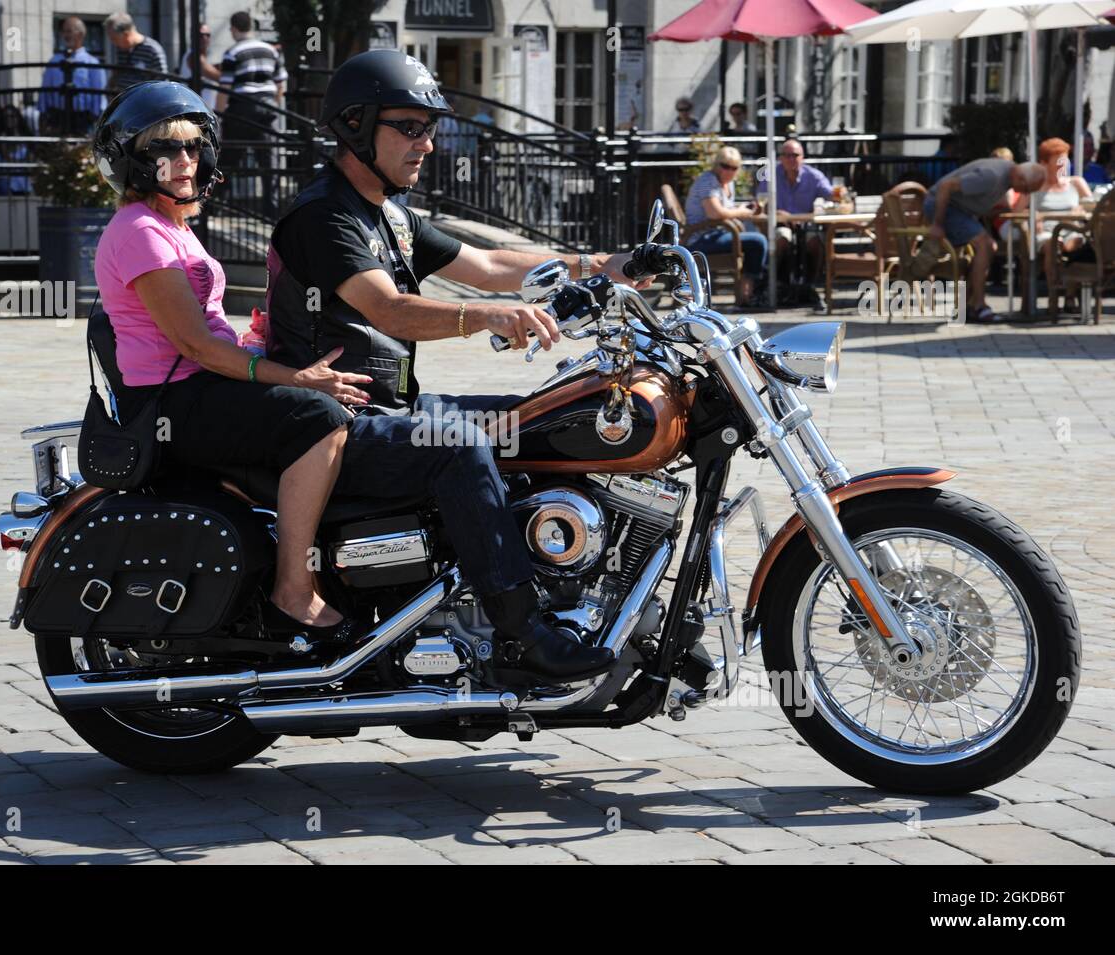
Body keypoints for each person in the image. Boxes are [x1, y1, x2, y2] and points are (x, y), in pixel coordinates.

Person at [266, 51, 656, 683]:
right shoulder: (324, 215)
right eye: (410, 127)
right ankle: (522, 628)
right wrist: (489, 317)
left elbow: (489, 265)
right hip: (336, 419)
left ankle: (570, 580)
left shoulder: (389, 215)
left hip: (392, 407)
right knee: (459, 446)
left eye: (431, 128)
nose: (426, 143)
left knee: (537, 419)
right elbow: (388, 310)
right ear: (358, 127)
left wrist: (601, 264)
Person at [91, 81, 369, 640]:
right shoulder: (141, 232)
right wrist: (297, 378)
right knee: (321, 421)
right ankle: (294, 589)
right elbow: (193, 347)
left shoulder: (172, 226)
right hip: (176, 401)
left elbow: (203, 337)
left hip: (203, 384)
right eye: (165, 151)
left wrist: (254, 345)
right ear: (134, 163)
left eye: (194, 148)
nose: (185, 162)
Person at [924, 156, 1045, 322]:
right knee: (985, 244)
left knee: (990, 247)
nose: (1024, 193)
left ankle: (967, 305)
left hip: (960, 210)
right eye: (1026, 189)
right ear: (1020, 178)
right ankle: (979, 306)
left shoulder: (1008, 176)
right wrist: (937, 224)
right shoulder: (992, 176)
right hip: (943, 206)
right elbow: (946, 186)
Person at [1001, 138, 1092, 297]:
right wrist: (1032, 214)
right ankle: (1053, 296)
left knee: (1077, 242)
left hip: (1072, 230)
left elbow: (1093, 207)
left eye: (1065, 160)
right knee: (1052, 243)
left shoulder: (1076, 183)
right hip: (1046, 233)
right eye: (1058, 161)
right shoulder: (1035, 185)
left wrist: (1081, 208)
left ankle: (1070, 296)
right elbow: (1016, 212)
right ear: (1044, 163)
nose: (1063, 165)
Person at [216, 10, 287, 213]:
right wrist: (274, 103)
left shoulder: (232, 53)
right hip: (267, 108)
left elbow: (225, 88)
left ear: (233, 29)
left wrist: (220, 117)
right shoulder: (270, 51)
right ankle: (270, 208)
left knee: (229, 158)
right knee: (269, 160)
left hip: (241, 108)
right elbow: (281, 83)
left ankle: (219, 203)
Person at [682, 145, 768, 306]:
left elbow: (724, 211)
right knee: (758, 241)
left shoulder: (727, 184)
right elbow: (714, 213)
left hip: (717, 234)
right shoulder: (707, 181)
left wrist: (741, 210)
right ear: (717, 165)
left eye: (733, 168)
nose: (728, 171)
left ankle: (749, 292)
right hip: (700, 239)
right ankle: (748, 292)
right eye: (725, 166)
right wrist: (742, 213)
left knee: (757, 240)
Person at [755, 137, 834, 308]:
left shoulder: (813, 176)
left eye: (795, 155)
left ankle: (810, 285)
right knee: (782, 238)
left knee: (815, 242)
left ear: (802, 157)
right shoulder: (770, 176)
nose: (791, 159)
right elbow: (760, 204)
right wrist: (775, 212)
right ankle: (777, 284)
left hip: (807, 224)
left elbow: (832, 195)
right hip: (779, 224)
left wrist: (824, 204)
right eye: (787, 155)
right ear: (780, 158)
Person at [38, 16, 108, 135]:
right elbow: (45, 88)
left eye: (69, 31)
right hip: (57, 116)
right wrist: (43, 113)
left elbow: (99, 94)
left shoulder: (92, 62)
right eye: (64, 31)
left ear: (81, 34)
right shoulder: (54, 61)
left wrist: (95, 117)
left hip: (83, 119)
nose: (66, 35)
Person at [105, 12, 168, 94]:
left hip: (143, 101)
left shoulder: (152, 50)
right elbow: (117, 74)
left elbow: (162, 83)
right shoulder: (121, 50)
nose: (113, 43)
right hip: (123, 100)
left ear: (126, 34)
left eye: (114, 39)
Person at [179, 22, 220, 110]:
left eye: (207, 35)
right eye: (201, 35)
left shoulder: (200, 56)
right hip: (197, 111)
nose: (204, 38)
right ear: (193, 37)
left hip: (204, 110)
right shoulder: (194, 56)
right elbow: (218, 77)